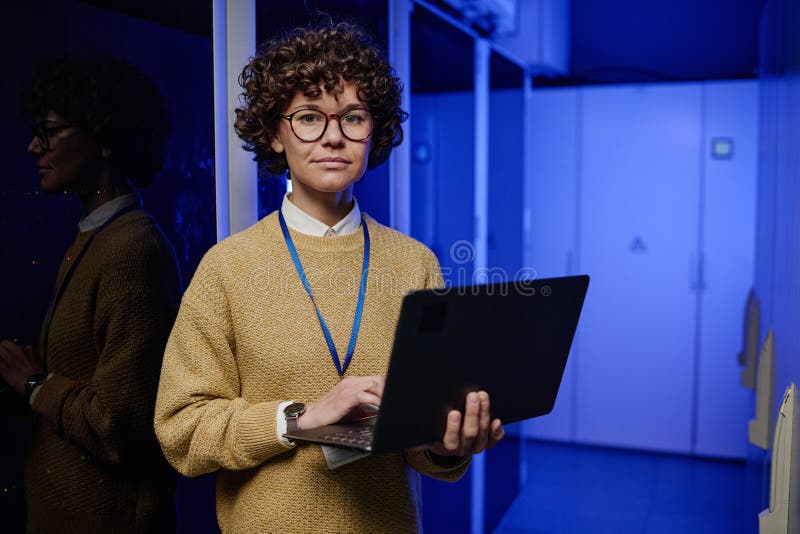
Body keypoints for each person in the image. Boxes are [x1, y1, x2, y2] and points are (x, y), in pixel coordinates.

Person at [153, 22, 504, 532]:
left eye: (353, 117)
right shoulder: (226, 268)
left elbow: (425, 440)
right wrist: (300, 420)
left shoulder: (415, 263)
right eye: (309, 117)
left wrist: (444, 445)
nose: (334, 136)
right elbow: (181, 432)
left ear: (374, 133)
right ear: (275, 133)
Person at [0, 56, 181, 533]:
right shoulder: (96, 238)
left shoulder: (131, 251)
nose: (34, 146)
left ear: (104, 139)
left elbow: (122, 426)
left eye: (51, 131)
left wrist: (37, 384)